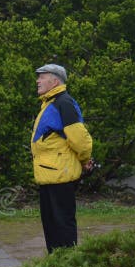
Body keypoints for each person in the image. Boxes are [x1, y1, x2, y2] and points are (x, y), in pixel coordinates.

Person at [30, 63, 93, 253]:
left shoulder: (63, 103)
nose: (37, 80)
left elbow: (80, 139)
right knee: (51, 227)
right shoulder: (49, 103)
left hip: (60, 177)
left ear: (55, 80)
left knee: (62, 226)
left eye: (42, 76)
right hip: (49, 176)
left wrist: (85, 160)